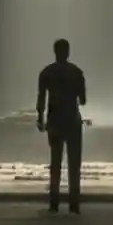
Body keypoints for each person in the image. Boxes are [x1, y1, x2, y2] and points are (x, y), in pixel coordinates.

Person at [36, 38, 86, 213]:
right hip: (72, 121)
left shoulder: (46, 73)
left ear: (55, 52)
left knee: (55, 162)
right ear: (68, 52)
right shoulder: (76, 72)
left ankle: (54, 201)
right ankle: (74, 202)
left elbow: (41, 98)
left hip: (55, 121)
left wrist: (40, 118)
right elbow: (83, 100)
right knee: (74, 164)